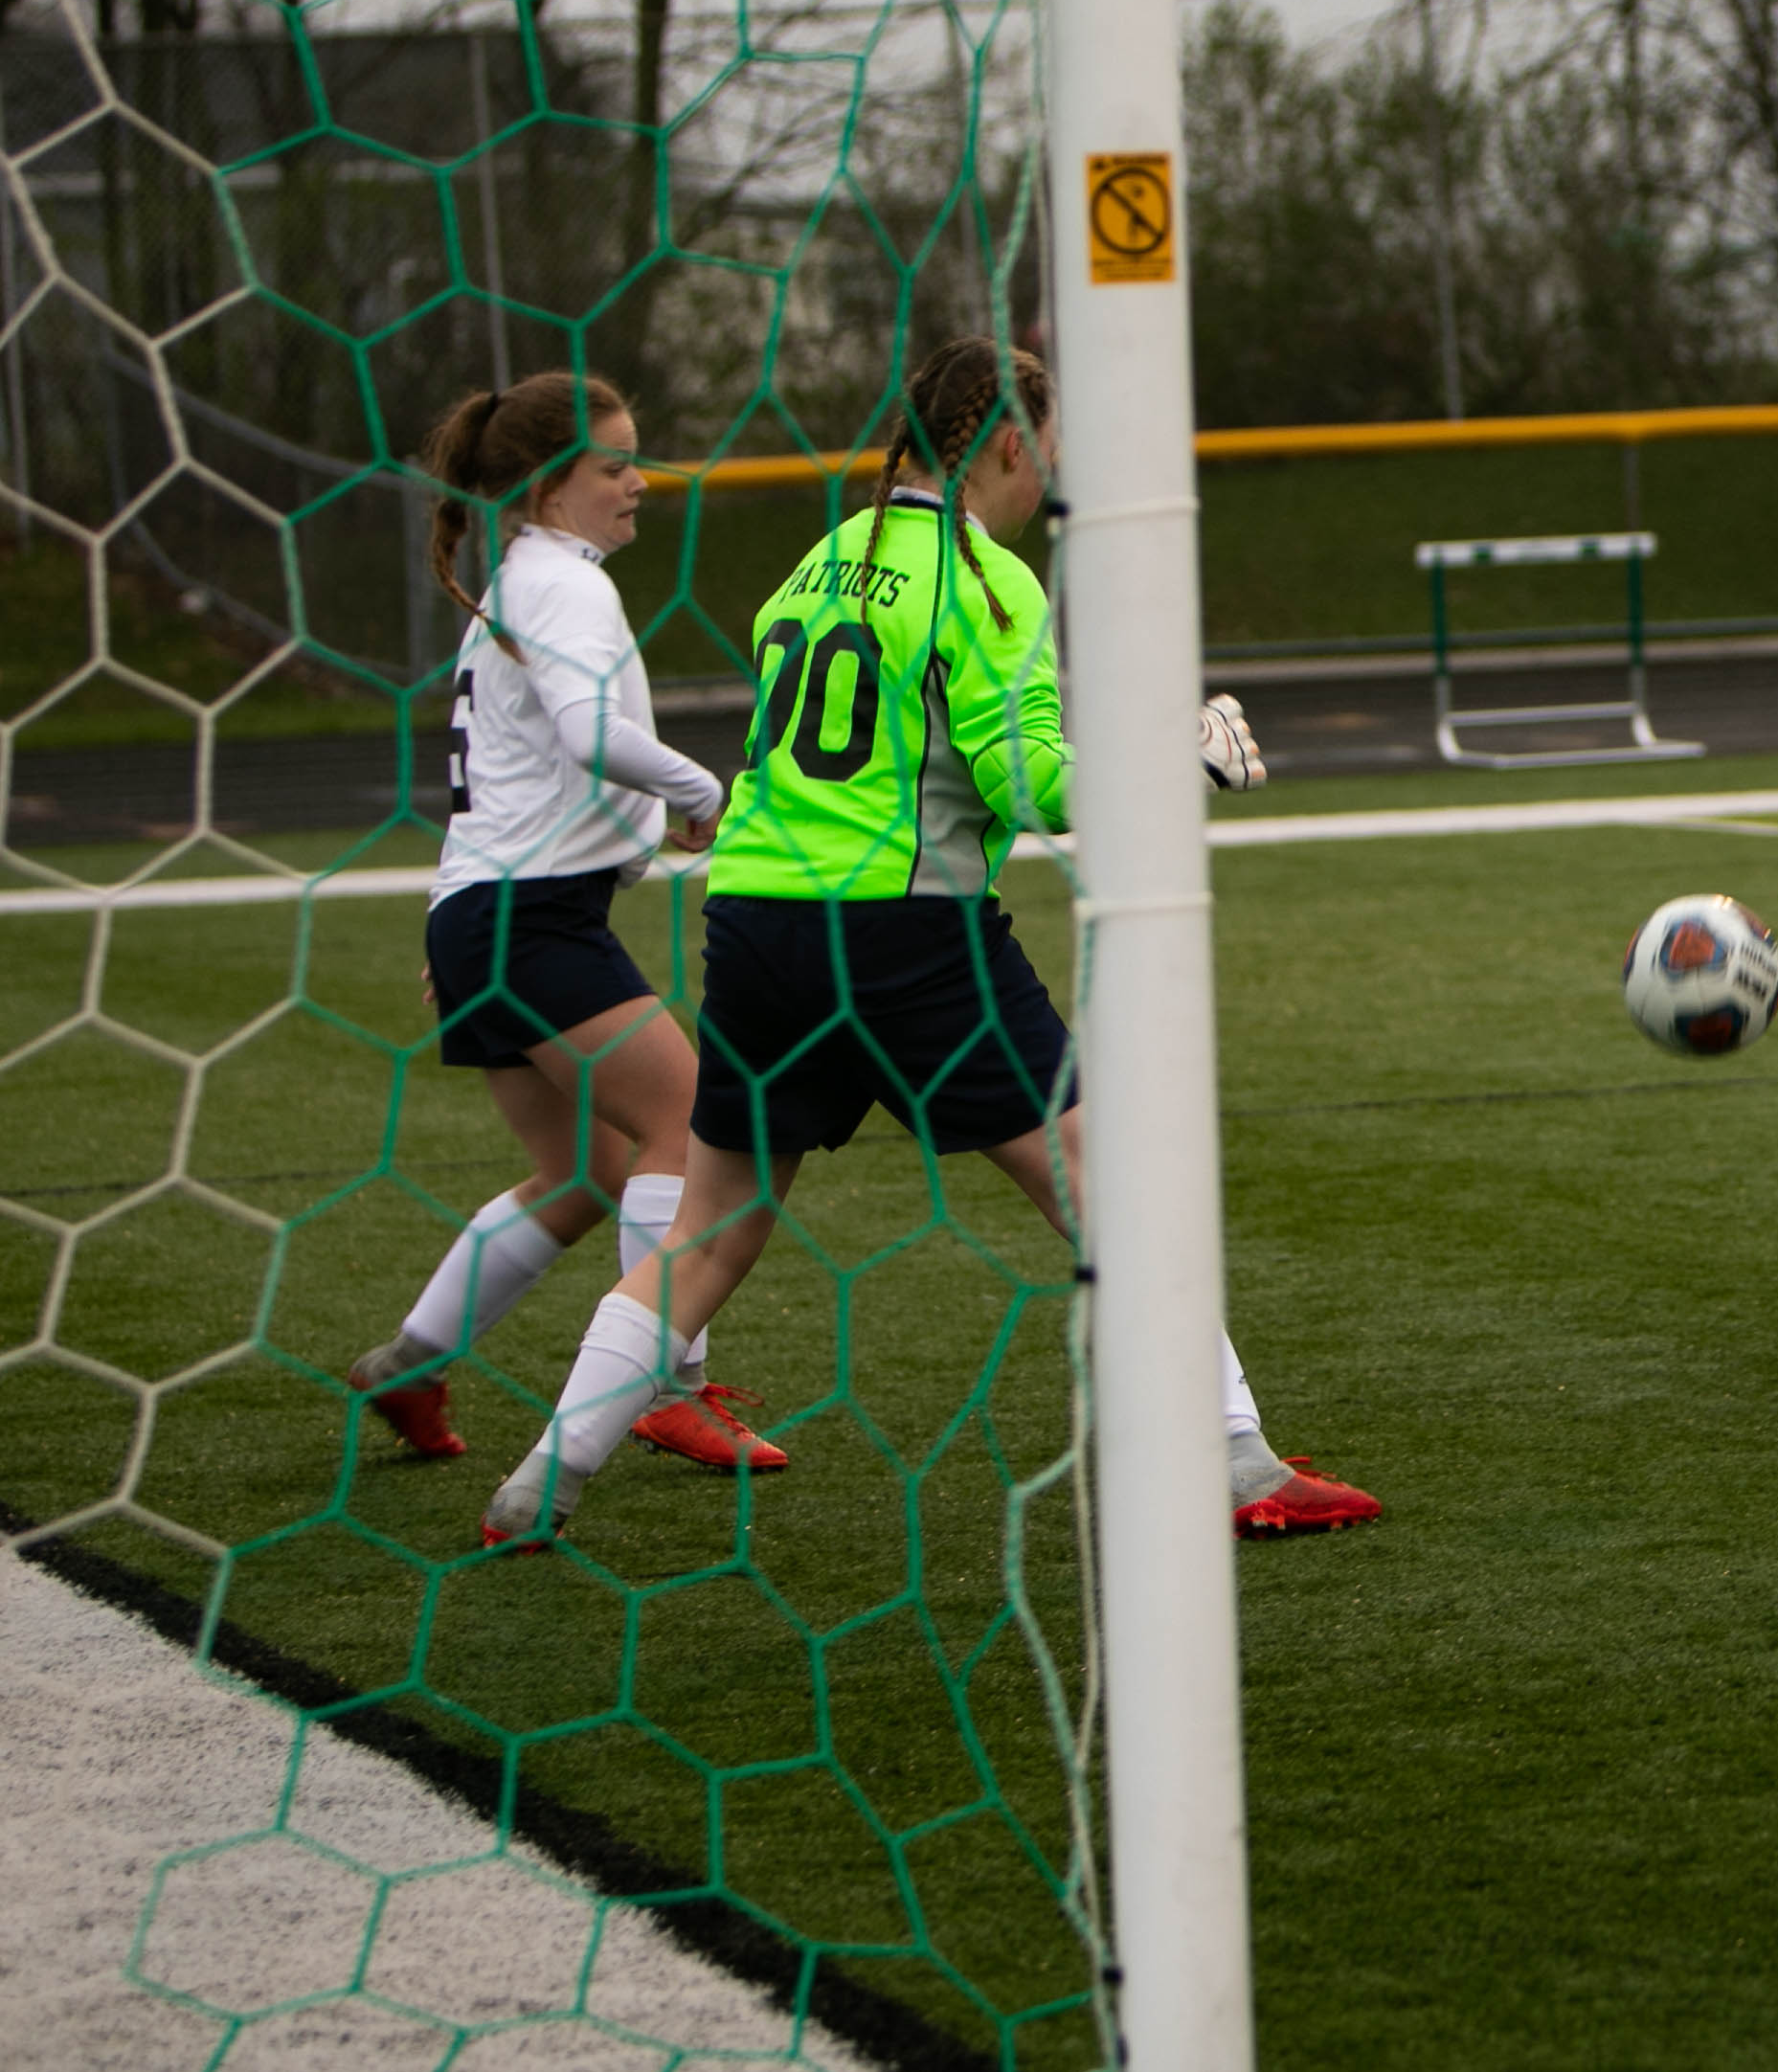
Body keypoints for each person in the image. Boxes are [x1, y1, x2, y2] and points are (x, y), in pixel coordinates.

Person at [481, 341, 1378, 1548]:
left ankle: (543, 1480)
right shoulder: (986, 579)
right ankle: (1238, 1463)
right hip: (904, 932)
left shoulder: (818, 563)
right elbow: (1035, 787)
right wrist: (1177, 751)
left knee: (713, 1228)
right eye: (1047, 445)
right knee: (1113, 1188)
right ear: (1009, 440)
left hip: (753, 917)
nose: (1049, 474)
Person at [346, 373, 775, 1478]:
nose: (639, 482)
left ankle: (410, 1358)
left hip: (488, 919)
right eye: (615, 464)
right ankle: (670, 1384)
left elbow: (526, 767)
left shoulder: (519, 583)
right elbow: (590, 733)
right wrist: (700, 793)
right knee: (688, 1113)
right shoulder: (564, 587)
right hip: (525, 924)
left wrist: (631, 838)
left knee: (582, 1168)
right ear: (547, 484)